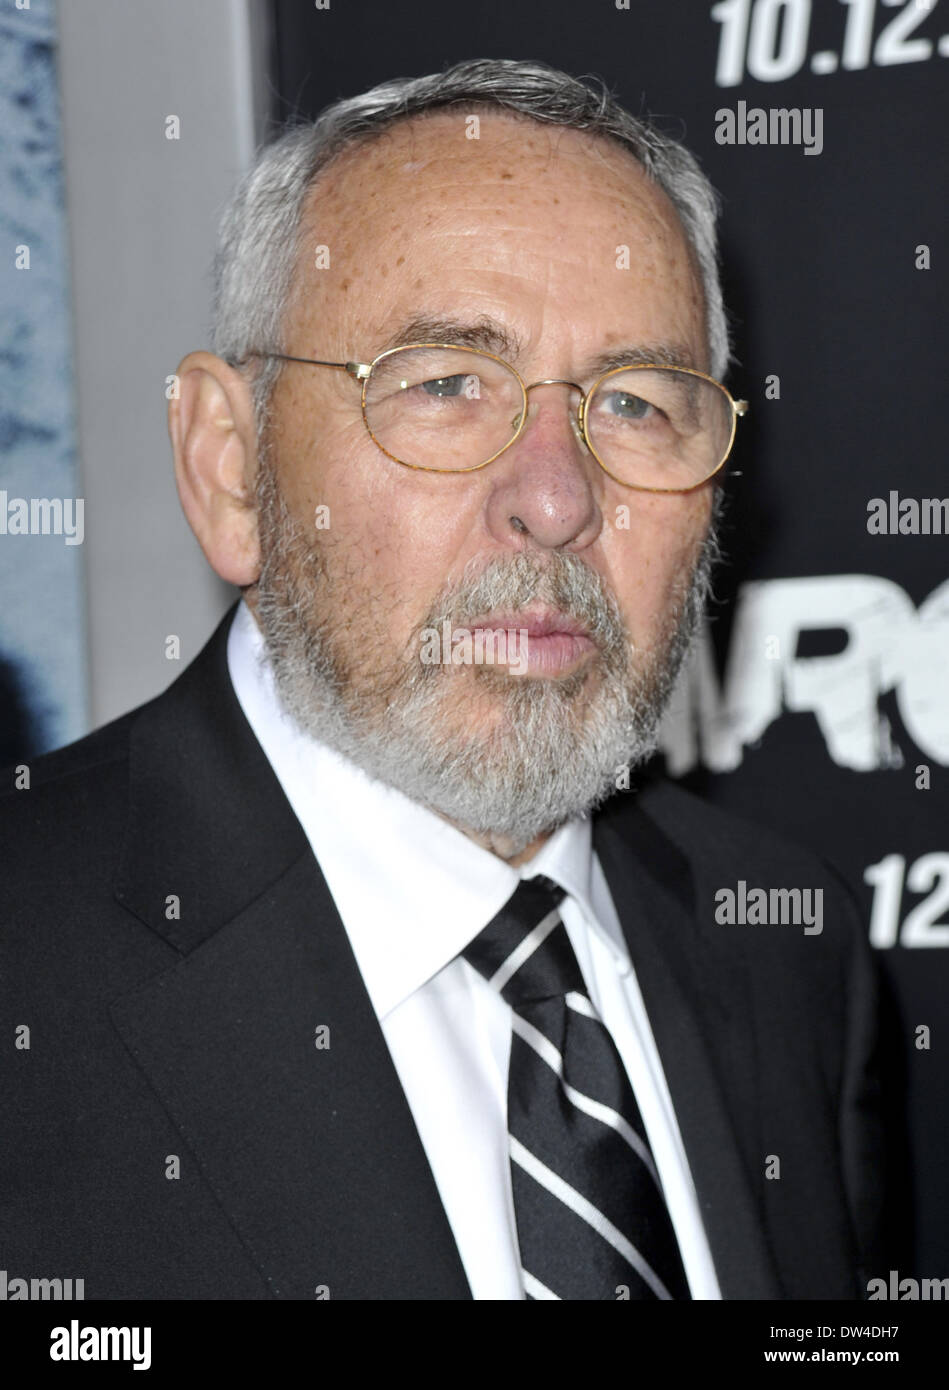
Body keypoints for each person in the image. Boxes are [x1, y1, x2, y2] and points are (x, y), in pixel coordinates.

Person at [0, 58, 891, 1300]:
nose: (556, 499)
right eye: (444, 385)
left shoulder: (786, 949)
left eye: (634, 404)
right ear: (230, 469)